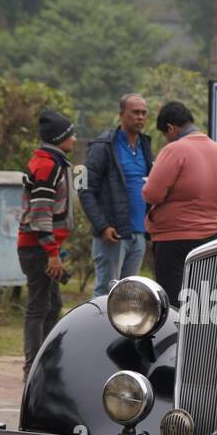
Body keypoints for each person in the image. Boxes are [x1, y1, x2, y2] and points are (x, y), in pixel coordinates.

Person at [142, 101, 217, 303]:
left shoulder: (174, 150)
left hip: (173, 240)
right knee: (202, 300)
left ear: (171, 128)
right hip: (210, 238)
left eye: (166, 134)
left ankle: (176, 336)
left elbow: (152, 194)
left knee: (173, 302)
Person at [18, 110, 75, 380]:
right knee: (39, 306)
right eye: (70, 134)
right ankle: (33, 367)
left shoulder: (53, 162)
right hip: (38, 249)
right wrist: (52, 253)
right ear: (59, 138)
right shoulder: (47, 166)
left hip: (45, 248)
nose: (74, 138)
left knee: (52, 305)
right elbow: (41, 215)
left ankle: (47, 360)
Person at [81, 94, 153, 297]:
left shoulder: (145, 145)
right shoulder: (101, 146)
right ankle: (97, 329)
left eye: (144, 113)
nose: (140, 117)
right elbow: (84, 188)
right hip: (113, 234)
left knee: (128, 296)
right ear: (121, 115)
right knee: (106, 293)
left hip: (138, 234)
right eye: (135, 112)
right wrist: (102, 226)